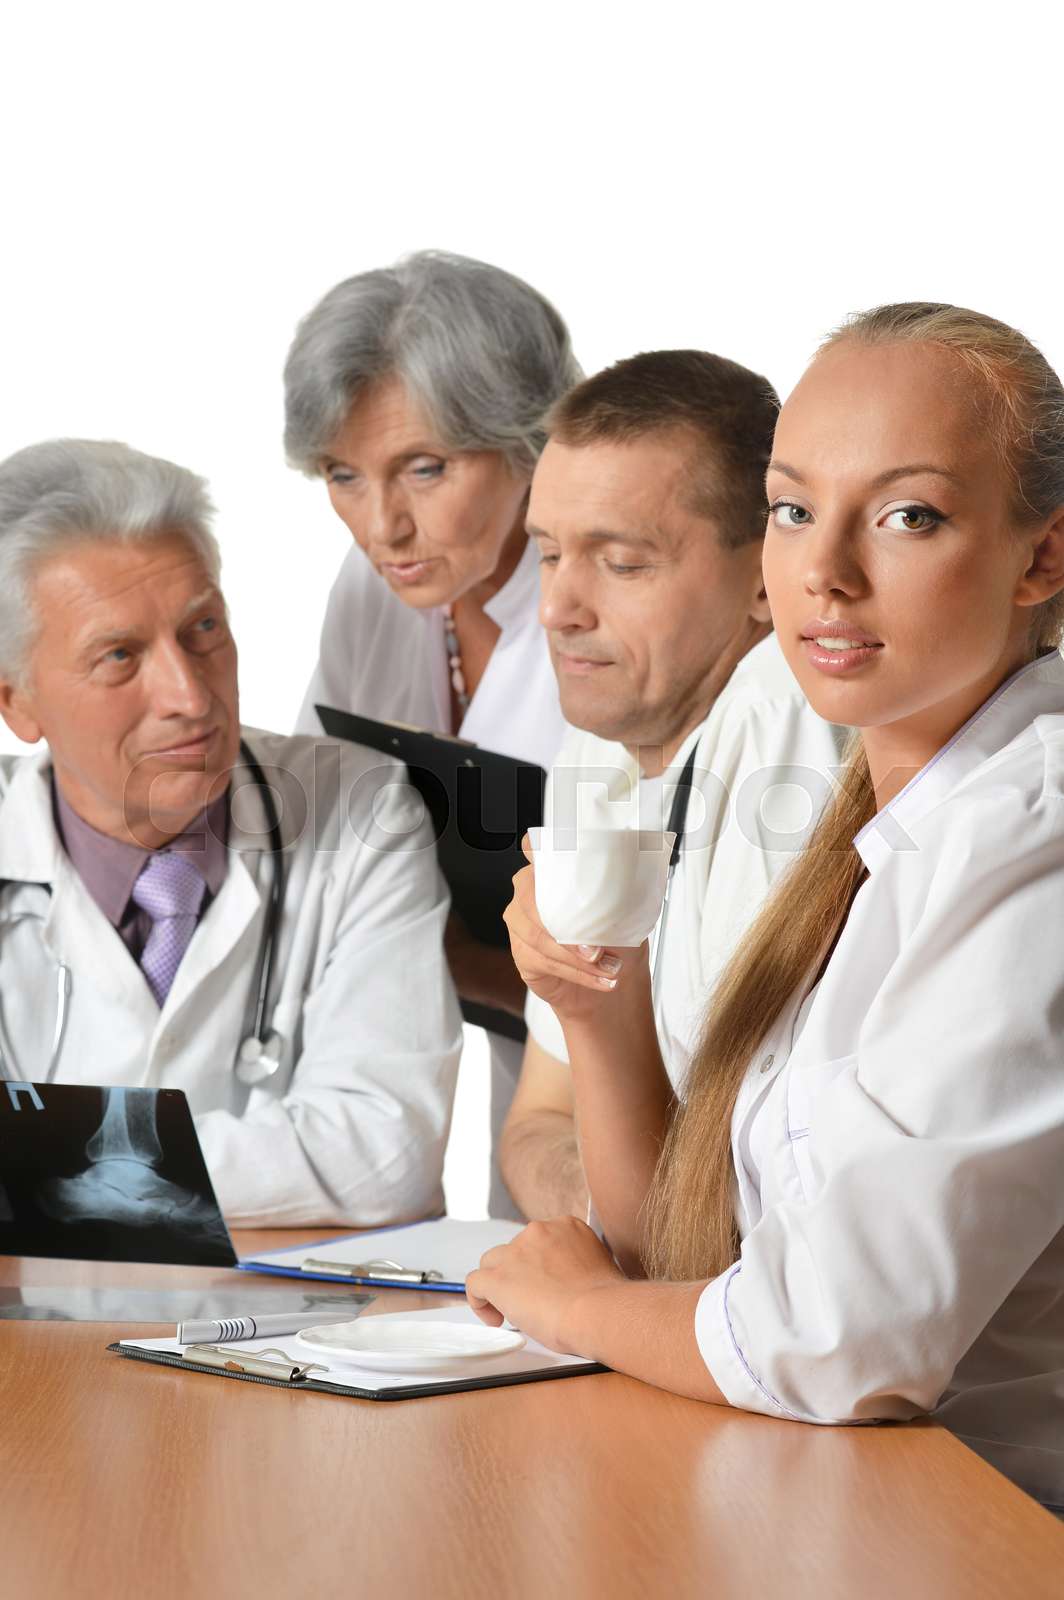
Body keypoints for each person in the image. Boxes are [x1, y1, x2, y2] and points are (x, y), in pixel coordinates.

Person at [467, 303, 1064, 1516]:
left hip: (988, 1527)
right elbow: (697, 1257)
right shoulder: (874, 814)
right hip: (824, 1497)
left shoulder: (1029, 843)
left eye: (908, 515)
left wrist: (574, 1303)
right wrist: (600, 1002)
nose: (823, 573)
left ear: (1041, 557)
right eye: (793, 509)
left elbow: (843, 1341)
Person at [0, 439, 463, 1226]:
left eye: (203, 627)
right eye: (120, 655)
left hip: (296, 1333)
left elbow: (388, 1153)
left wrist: (35, 1170)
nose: (189, 694)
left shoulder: (364, 809)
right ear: (17, 703)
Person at [500, 350, 846, 1220]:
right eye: (547, 554)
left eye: (621, 564)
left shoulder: (787, 725)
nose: (557, 608)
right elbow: (536, 1122)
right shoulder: (601, 755)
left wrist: (616, 1242)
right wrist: (611, 1222)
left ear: (766, 578)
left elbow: (726, 1211)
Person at [285, 250, 581, 1215]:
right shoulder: (371, 591)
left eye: (425, 467)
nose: (383, 526)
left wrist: (415, 954)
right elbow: (311, 840)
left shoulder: (612, 610)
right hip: (473, 1070)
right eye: (343, 474)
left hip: (608, 1094)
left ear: (530, 442)